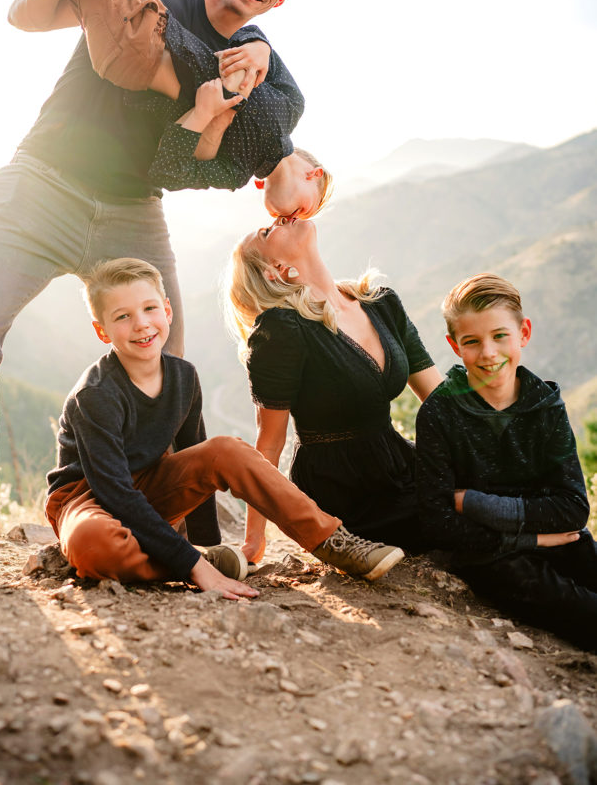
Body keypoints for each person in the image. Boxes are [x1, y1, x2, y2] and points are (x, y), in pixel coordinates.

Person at [0, 0, 316, 583]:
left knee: (173, 370)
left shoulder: (265, 68)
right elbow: (26, 13)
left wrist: (260, 76)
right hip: (42, 182)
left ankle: (180, 537)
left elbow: (267, 142)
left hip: (133, 208)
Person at [38, 258, 405, 598]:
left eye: (149, 308)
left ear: (167, 310)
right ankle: (189, 563)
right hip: (89, 497)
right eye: (123, 316)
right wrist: (196, 566)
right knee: (93, 544)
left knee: (225, 449)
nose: (141, 324)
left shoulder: (183, 377)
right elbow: (115, 493)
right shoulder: (96, 394)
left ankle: (332, 540)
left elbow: (196, 466)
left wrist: (209, 544)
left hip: (150, 484)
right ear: (102, 331)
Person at [226, 216, 443, 565]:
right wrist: (254, 539)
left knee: (497, 489)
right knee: (464, 517)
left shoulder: (380, 303)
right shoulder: (282, 329)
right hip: (343, 489)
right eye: (267, 231)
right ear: (274, 270)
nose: (281, 218)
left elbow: (439, 399)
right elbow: (269, 442)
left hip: (399, 462)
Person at [415, 273, 597, 650]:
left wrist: (474, 502)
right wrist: (530, 537)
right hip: (488, 556)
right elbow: (437, 522)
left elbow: (573, 509)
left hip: (560, 541)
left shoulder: (545, 406)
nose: (488, 353)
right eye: (472, 341)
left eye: (500, 336)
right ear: (454, 346)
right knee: (583, 612)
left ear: (523, 333)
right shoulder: (439, 413)